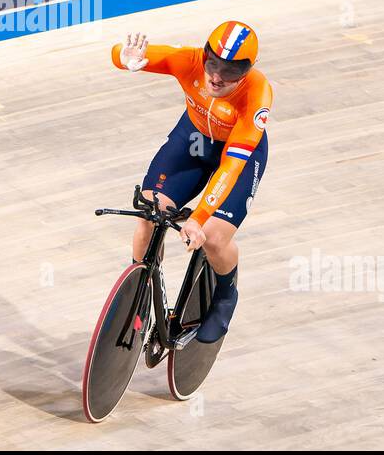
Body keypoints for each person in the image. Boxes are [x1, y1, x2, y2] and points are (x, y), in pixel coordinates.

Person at [111, 21, 274, 343]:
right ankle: (137, 291)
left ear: (246, 71)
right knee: (150, 213)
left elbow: (230, 166)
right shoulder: (188, 60)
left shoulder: (257, 93)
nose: (216, 77)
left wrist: (198, 219)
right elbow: (120, 53)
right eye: (212, 65)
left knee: (213, 238)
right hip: (193, 140)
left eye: (229, 73)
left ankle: (226, 294)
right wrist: (123, 58)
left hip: (237, 155)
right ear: (204, 56)